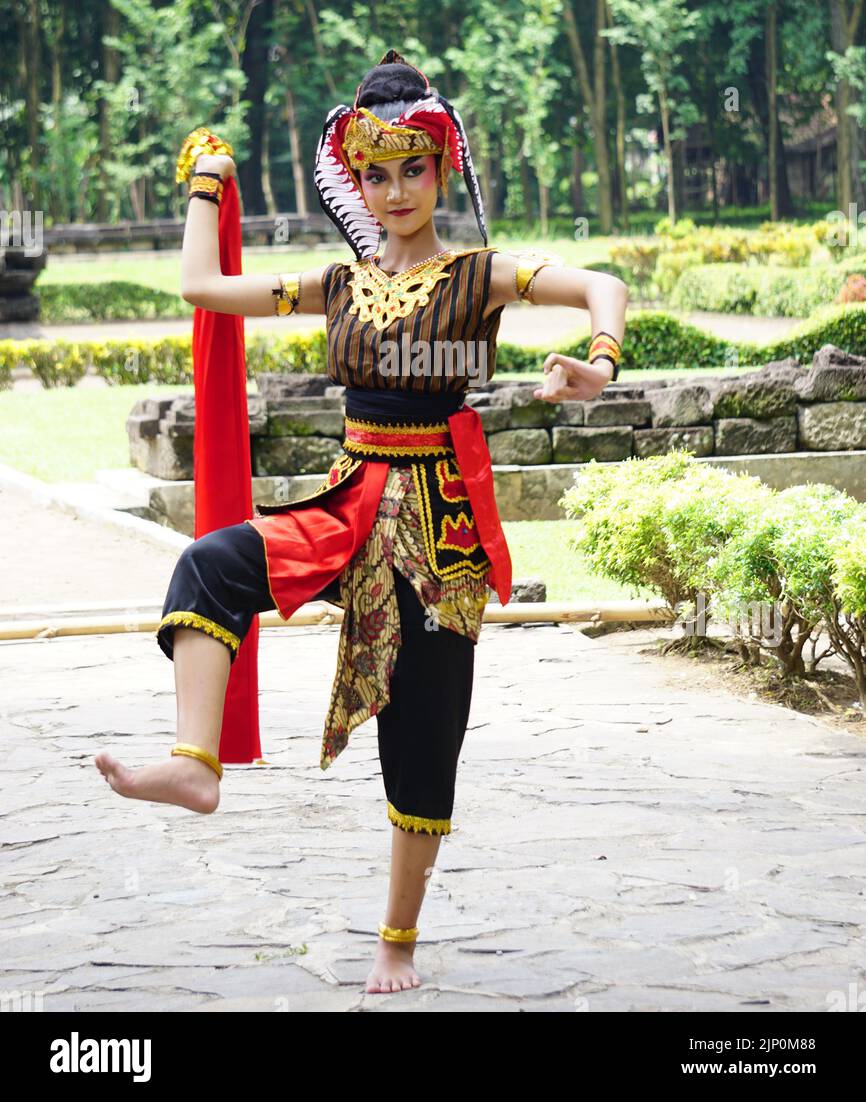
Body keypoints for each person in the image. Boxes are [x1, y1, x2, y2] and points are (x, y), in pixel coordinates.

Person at [95, 50, 629, 994]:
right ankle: (194, 765)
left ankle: (397, 940)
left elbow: (601, 285)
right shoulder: (336, 285)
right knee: (211, 566)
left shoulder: (480, 275)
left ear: (441, 165)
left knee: (422, 736)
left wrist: (599, 356)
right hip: (346, 505)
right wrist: (206, 188)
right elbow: (202, 292)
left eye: (410, 169)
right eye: (374, 174)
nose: (393, 191)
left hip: (438, 529)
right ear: (357, 177)